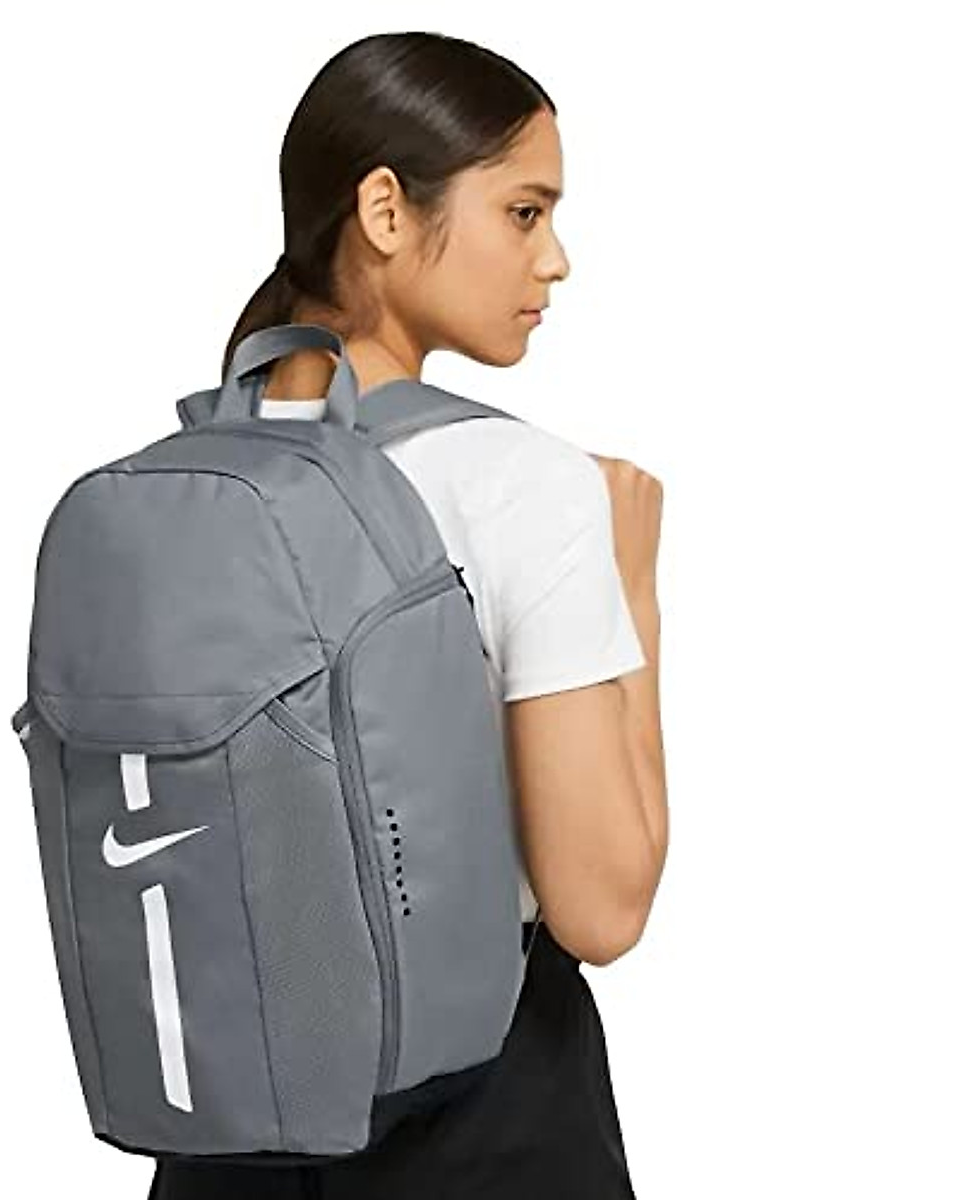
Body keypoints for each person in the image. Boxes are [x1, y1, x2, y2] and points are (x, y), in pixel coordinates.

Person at [150, 30, 667, 1200]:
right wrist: (631, 588)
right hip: (480, 1117)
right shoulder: (525, 484)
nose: (555, 260)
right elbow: (602, 905)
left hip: (224, 1111)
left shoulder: (195, 473)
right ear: (385, 210)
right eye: (524, 213)